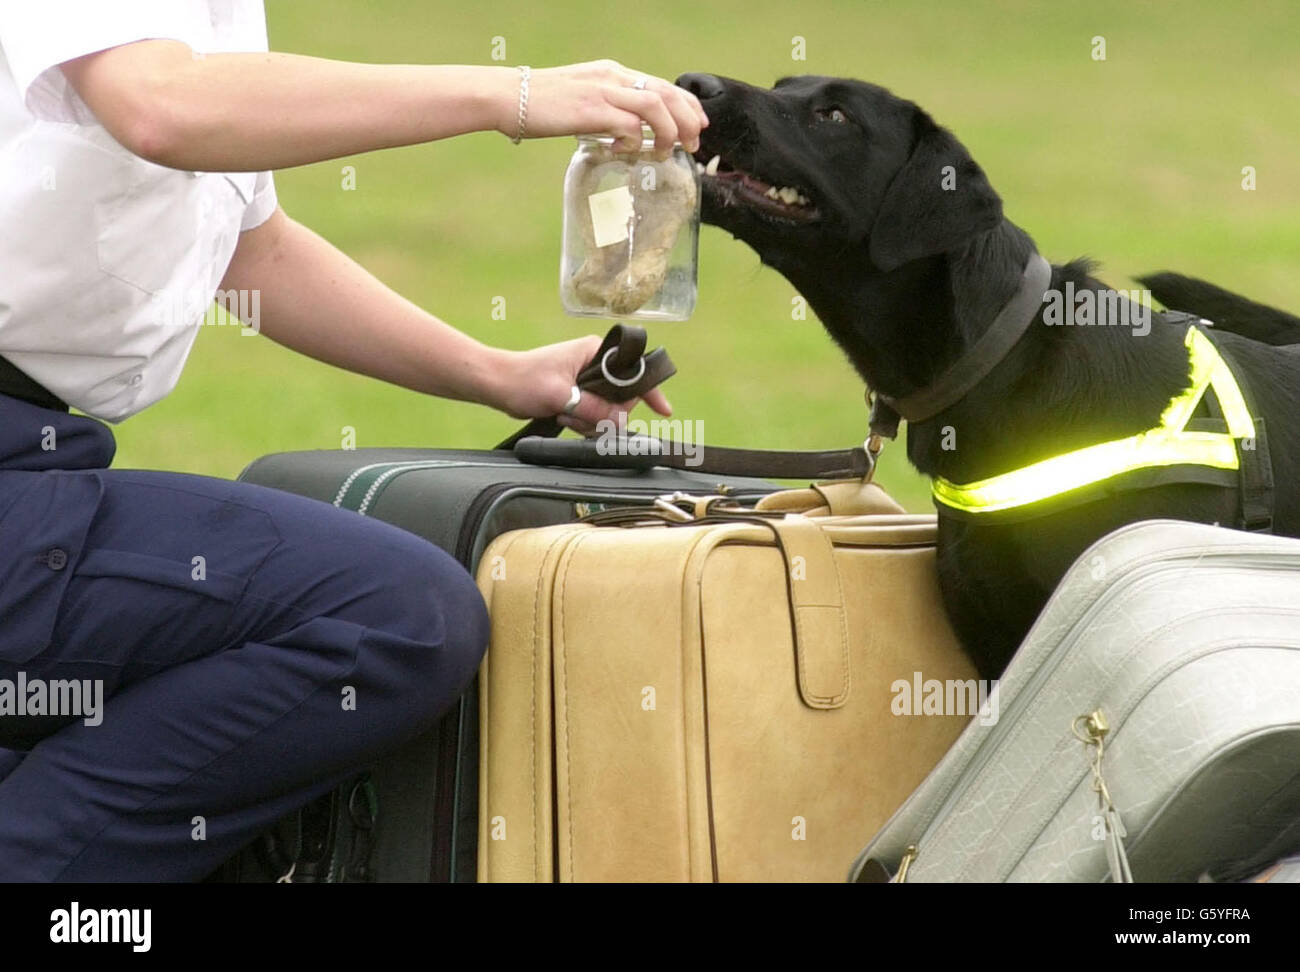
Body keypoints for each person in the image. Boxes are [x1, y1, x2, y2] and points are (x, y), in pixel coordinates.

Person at [0, 2, 706, 881]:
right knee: (400, 618)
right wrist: (514, 94)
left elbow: (250, 252)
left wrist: (499, 373)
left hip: (41, 460)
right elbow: (163, 109)